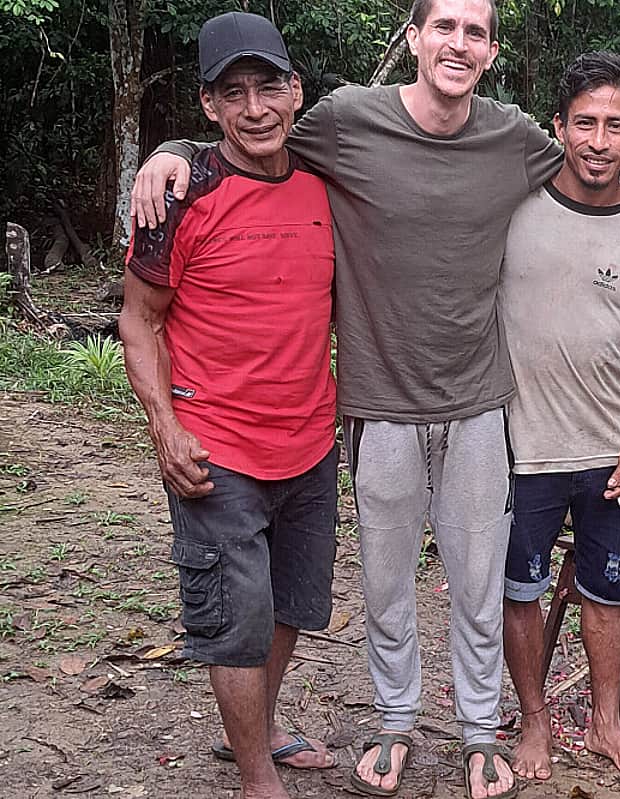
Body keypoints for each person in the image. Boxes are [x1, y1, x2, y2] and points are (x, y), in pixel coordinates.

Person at [130, 2, 561, 797]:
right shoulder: (346, 122)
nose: (457, 44)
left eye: (475, 31)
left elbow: (596, 170)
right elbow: (244, 139)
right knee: (387, 583)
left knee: (475, 580)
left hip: (475, 400)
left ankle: (478, 732)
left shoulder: (515, 137)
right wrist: (169, 153)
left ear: (492, 50)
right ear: (415, 37)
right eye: (444, 27)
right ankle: (394, 722)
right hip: (376, 401)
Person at [119, 12, 338, 799]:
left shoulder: (325, 181)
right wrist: (164, 428)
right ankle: (255, 776)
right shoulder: (181, 196)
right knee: (236, 618)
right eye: (233, 93)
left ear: (295, 92)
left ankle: (265, 723)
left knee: (293, 605)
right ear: (208, 106)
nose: (255, 109)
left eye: (268, 87)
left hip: (311, 441)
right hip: (217, 450)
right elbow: (138, 319)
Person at [498, 51, 620, 783]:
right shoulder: (512, 201)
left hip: (611, 450)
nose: (598, 140)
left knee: (608, 587)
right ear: (558, 127)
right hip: (520, 445)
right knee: (520, 588)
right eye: (584, 123)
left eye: (616, 126)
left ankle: (607, 722)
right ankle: (534, 722)